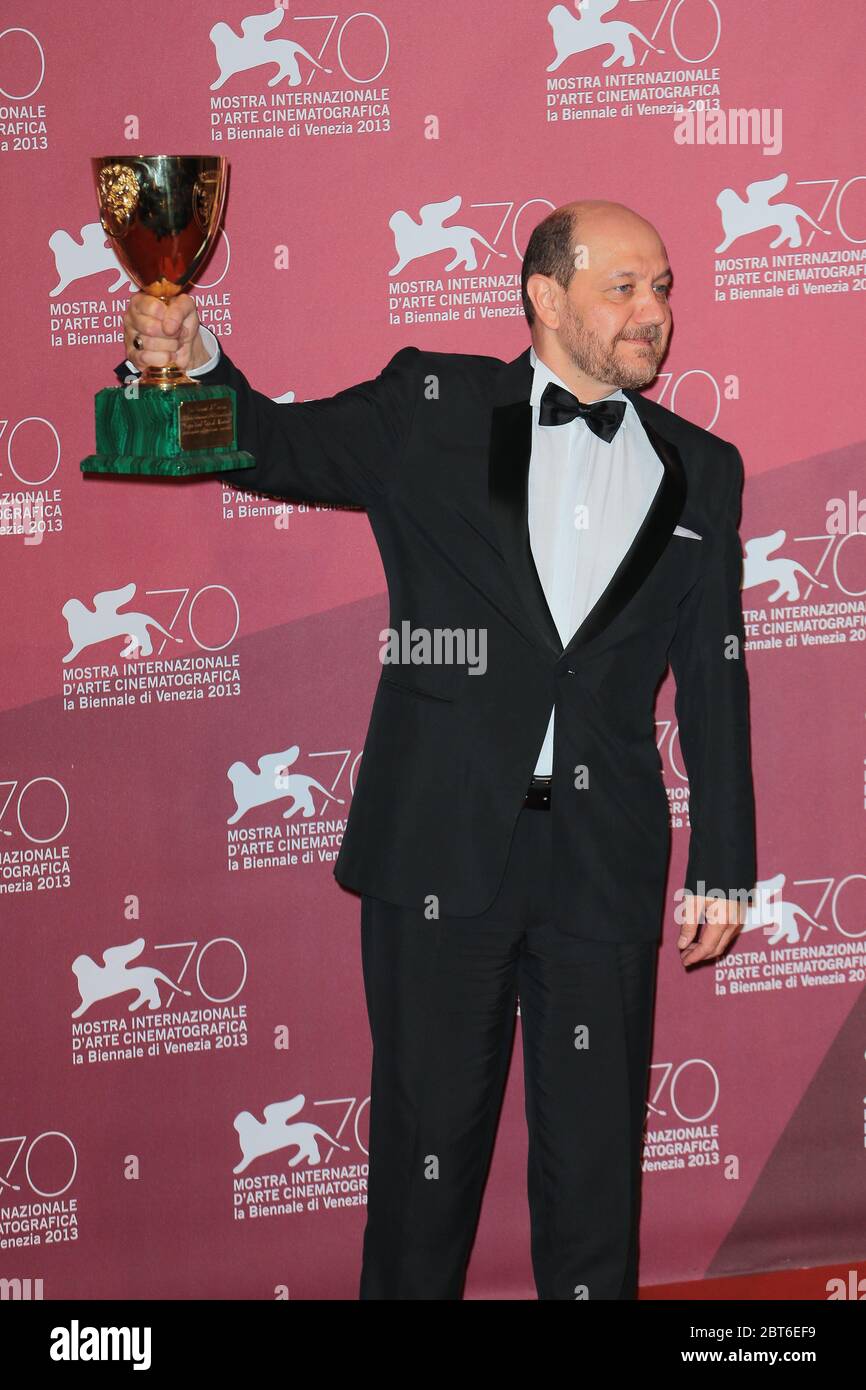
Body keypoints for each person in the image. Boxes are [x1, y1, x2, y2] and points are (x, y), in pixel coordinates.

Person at [119, 200, 757, 1300]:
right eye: (623, 288)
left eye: (662, 288)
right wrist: (181, 368)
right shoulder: (433, 405)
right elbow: (269, 446)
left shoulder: (704, 467)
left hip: (598, 863)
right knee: (424, 1177)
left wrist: (725, 859)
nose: (652, 312)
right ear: (544, 298)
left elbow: (713, 674)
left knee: (596, 1180)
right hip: (437, 859)